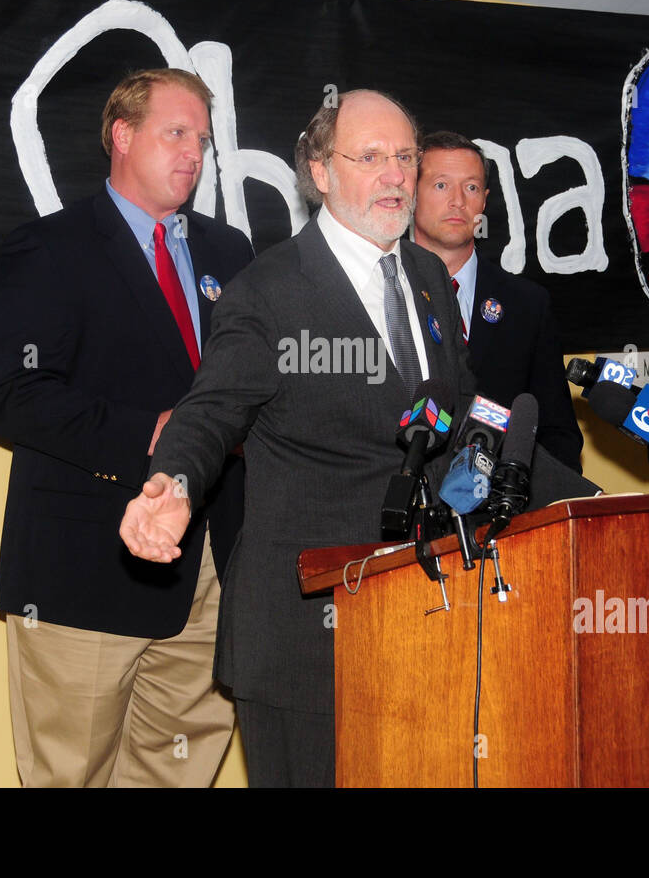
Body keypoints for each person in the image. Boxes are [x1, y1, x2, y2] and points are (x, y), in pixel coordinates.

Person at [119, 89, 478, 787]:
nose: (395, 175)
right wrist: (175, 484)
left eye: (405, 157)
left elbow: (461, 426)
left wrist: (584, 501)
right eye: (369, 156)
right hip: (307, 631)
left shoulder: (430, 277)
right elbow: (212, 411)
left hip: (422, 616)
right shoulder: (269, 292)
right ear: (320, 172)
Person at [0, 68, 251, 787]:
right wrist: (152, 431)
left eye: (202, 138)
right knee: (72, 774)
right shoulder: (49, 248)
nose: (194, 153)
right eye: (176, 133)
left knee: (175, 773)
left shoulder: (231, 254)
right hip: (85, 569)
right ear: (121, 136)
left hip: (213, 571)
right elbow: (11, 399)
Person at [413, 131, 583, 472]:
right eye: (441, 185)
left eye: (471, 187)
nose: (458, 201)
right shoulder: (379, 293)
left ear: (485, 200)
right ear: (410, 193)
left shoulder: (528, 305)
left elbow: (558, 436)